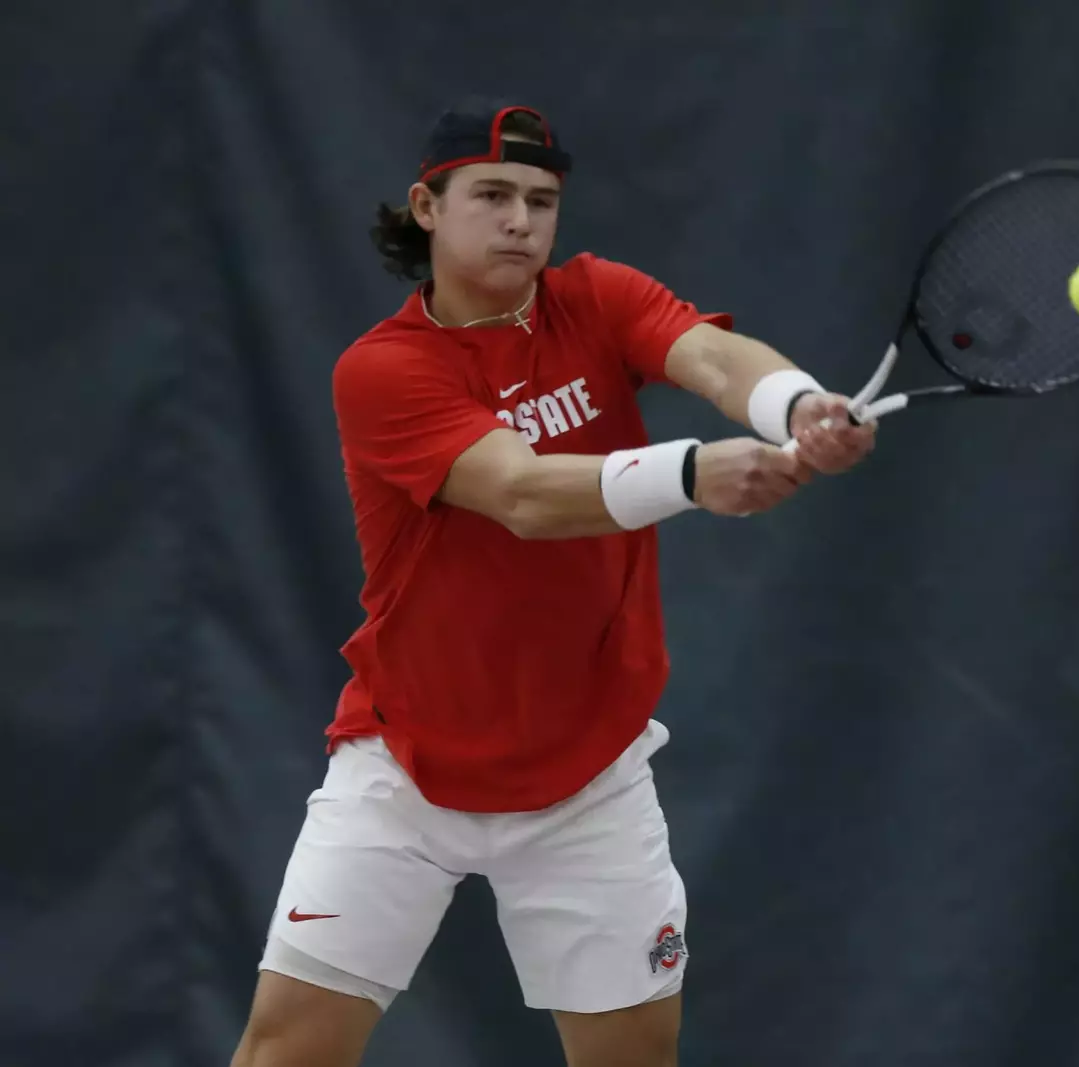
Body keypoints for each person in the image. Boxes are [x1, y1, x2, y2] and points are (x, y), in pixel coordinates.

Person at [229, 97, 875, 1067]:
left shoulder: (595, 297)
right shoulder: (382, 369)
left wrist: (799, 403)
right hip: (405, 767)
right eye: (491, 194)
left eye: (540, 198)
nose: (521, 220)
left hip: (588, 775)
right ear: (426, 206)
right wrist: (696, 474)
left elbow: (710, 355)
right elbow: (522, 494)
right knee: (287, 1052)